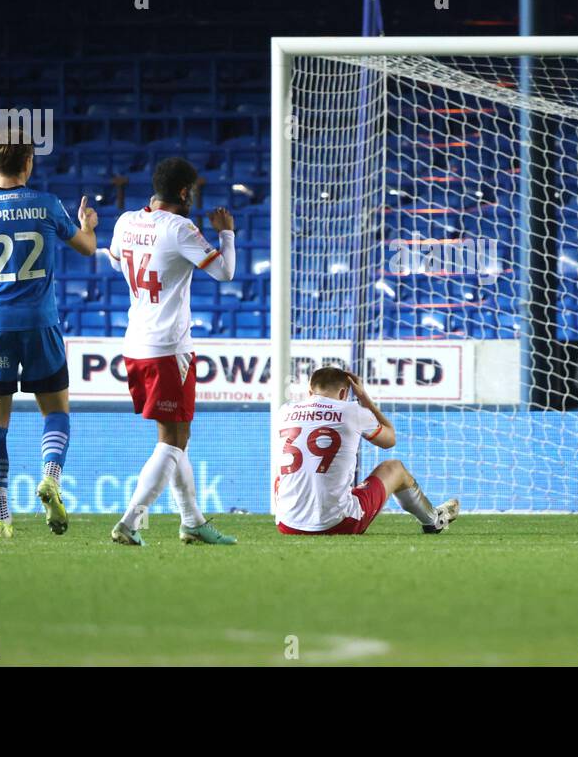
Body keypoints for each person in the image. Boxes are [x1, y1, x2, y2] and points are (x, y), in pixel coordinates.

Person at [0, 133, 97, 538]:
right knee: (56, 411)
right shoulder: (47, 204)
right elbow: (87, 248)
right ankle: (50, 478)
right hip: (41, 326)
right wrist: (87, 226)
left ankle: (0, 518)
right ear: (28, 163)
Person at [104, 157, 238, 546]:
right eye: (193, 189)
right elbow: (224, 272)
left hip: (135, 344)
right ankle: (130, 521)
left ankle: (192, 521)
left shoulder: (126, 221)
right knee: (171, 442)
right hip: (168, 348)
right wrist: (226, 234)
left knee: (179, 436)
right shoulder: (180, 228)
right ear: (183, 191)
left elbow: (115, 262)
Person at [274, 366, 459, 535]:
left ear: (310, 391)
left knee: (284, 475)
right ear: (344, 393)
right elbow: (389, 440)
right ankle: (434, 520)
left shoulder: (285, 411)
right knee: (395, 468)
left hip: (286, 523)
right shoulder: (351, 410)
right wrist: (363, 397)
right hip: (339, 524)